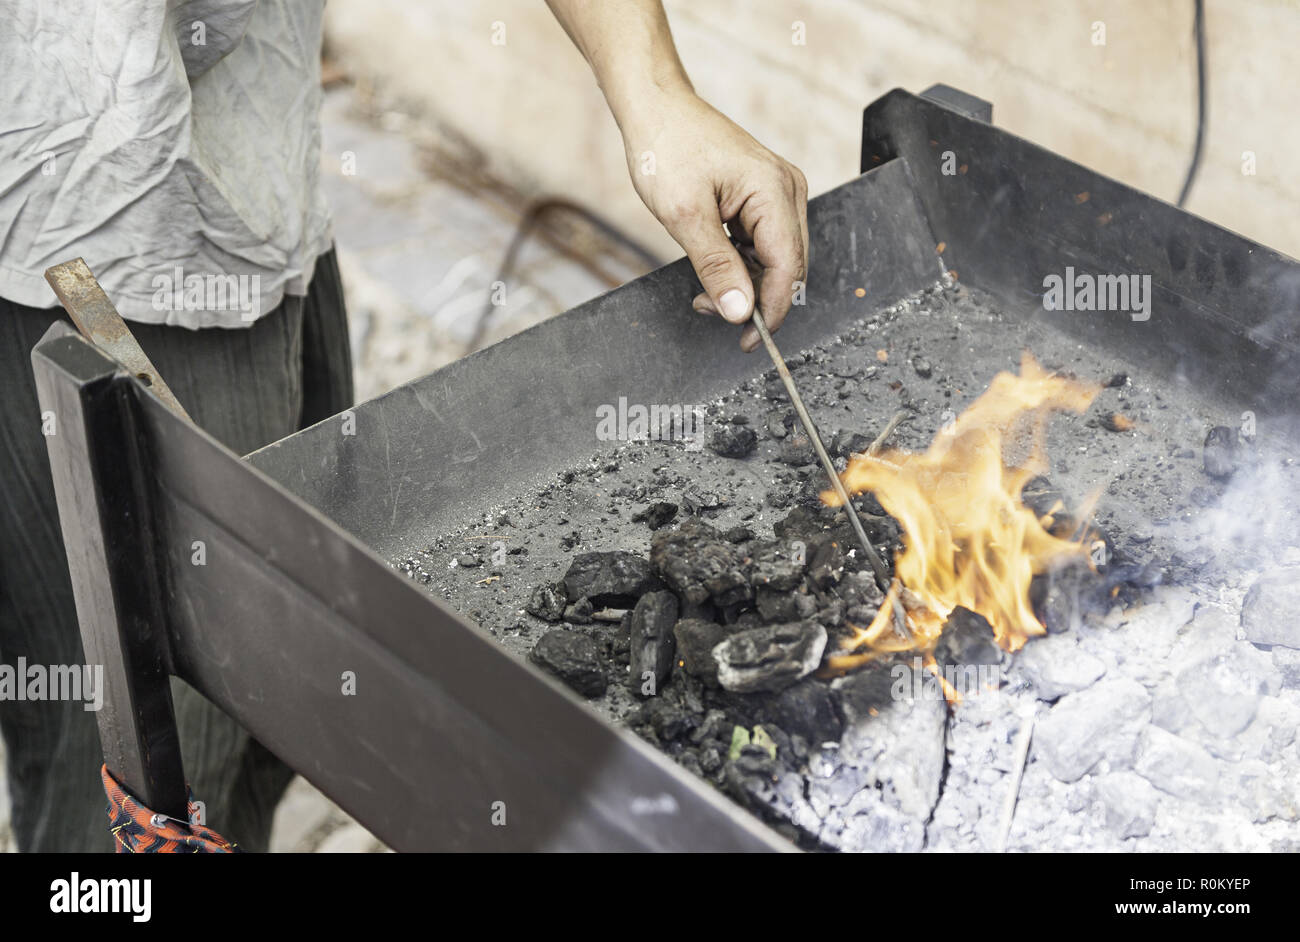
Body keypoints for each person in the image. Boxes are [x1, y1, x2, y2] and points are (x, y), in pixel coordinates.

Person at [0, 0, 808, 852]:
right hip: (72, 242)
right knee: (143, 769)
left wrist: (656, 98)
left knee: (271, 706)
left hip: (253, 189)